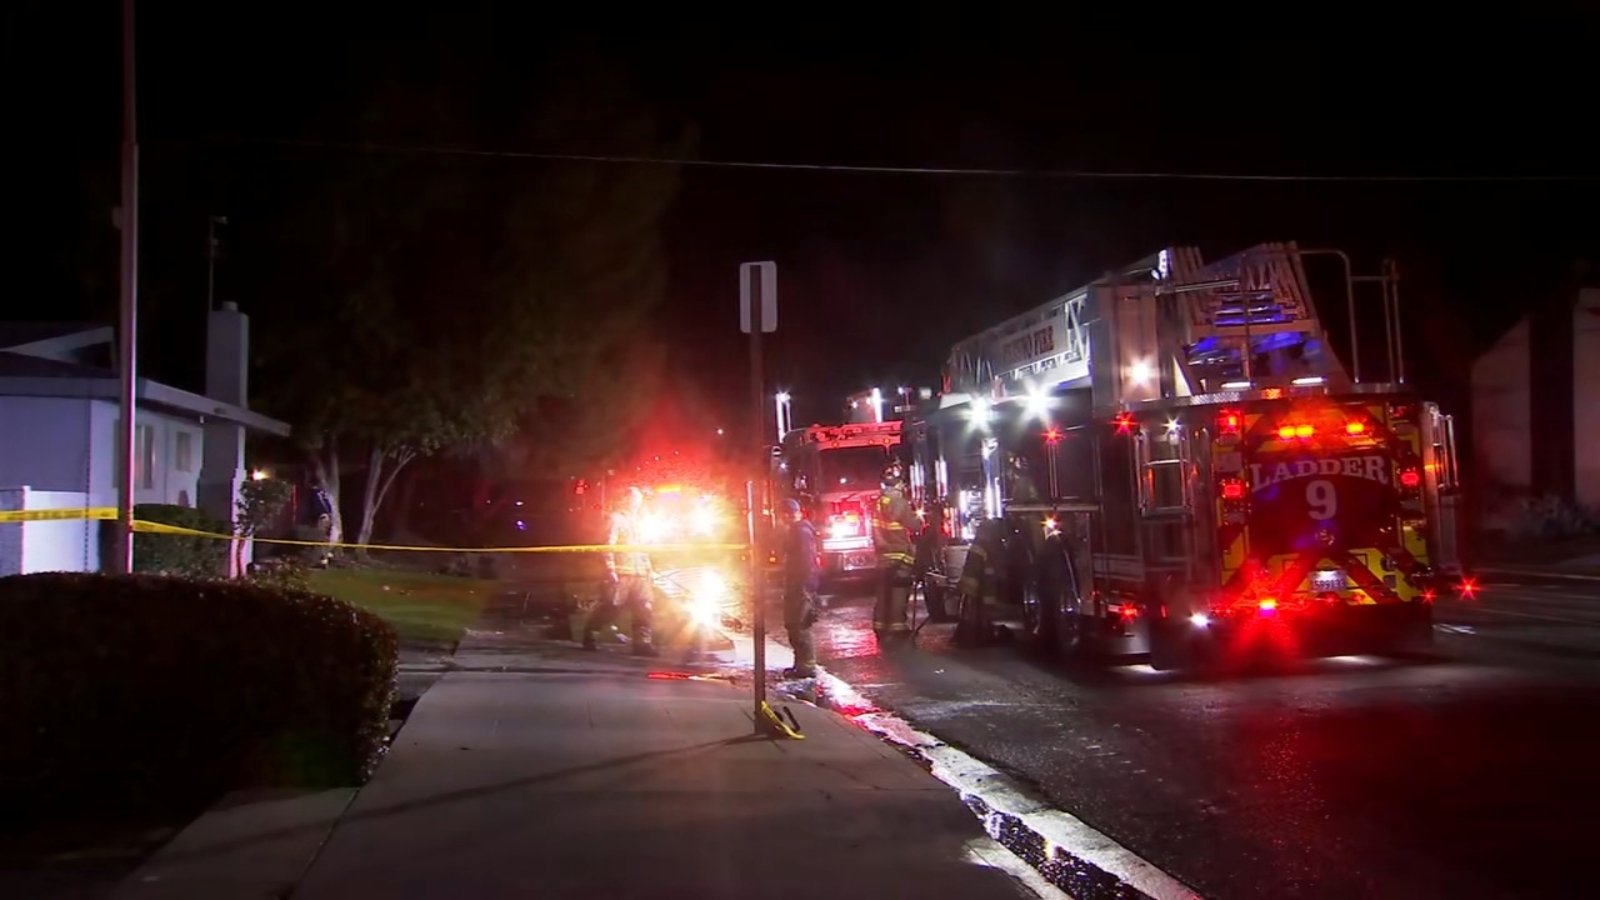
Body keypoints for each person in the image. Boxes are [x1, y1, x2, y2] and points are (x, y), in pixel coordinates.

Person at [582, 486, 657, 656]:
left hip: (640, 572)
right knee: (612, 607)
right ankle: (591, 634)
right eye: (632, 499)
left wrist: (649, 568)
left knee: (644, 607)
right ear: (623, 499)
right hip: (622, 571)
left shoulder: (639, 522)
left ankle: (642, 643)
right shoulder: (614, 519)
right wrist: (610, 568)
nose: (635, 504)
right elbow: (608, 544)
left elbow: (643, 548)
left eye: (638, 500)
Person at [872, 461, 918, 648]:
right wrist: (920, 518)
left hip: (883, 557)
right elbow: (913, 525)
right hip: (900, 555)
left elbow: (876, 529)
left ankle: (880, 628)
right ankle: (898, 629)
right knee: (899, 592)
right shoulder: (900, 502)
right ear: (899, 484)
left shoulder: (878, 503)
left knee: (884, 593)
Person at [780, 498, 820, 678]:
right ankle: (800, 664)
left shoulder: (801, 531)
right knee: (793, 625)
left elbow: (805, 561)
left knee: (801, 625)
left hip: (802, 585)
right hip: (797, 584)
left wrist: (803, 585)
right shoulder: (796, 530)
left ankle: (807, 666)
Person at [952, 517, 1007, 648]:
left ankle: (972, 633)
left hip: (971, 585)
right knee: (980, 611)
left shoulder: (977, 545)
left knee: (971, 611)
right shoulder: (990, 546)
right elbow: (994, 569)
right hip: (981, 585)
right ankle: (980, 633)